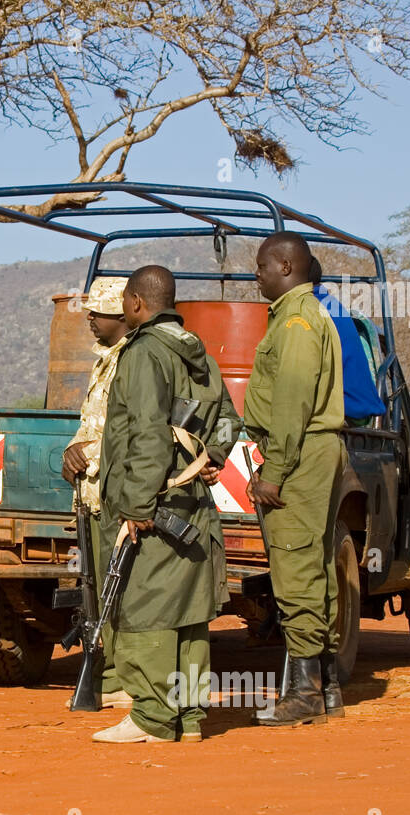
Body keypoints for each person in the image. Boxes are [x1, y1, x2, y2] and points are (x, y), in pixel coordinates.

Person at [93, 265, 240, 743]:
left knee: (147, 607)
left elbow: (147, 436)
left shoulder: (143, 354)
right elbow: (227, 421)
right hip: (192, 503)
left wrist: (135, 506)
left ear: (136, 303)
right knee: (189, 612)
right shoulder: (199, 353)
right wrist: (207, 459)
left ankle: (154, 718)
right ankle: (190, 719)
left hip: (153, 506)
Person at [245, 233, 347, 727]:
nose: (256, 273)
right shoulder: (302, 315)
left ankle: (304, 693)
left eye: (262, 265)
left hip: (300, 455)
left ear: (285, 266)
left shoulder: (297, 321)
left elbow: (292, 404)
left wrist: (274, 472)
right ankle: (327, 690)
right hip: (311, 452)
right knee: (317, 565)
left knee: (296, 568)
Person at [60, 277, 131, 709]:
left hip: (114, 491)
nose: (89, 318)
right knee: (97, 591)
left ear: (123, 315)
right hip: (91, 494)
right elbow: (93, 424)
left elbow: (133, 432)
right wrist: (74, 450)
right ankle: (108, 673)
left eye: (98, 311)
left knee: (117, 591)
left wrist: (91, 455)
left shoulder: (134, 359)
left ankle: (121, 679)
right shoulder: (104, 359)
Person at [309, 256, 385, 422]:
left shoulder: (311, 312)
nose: (258, 274)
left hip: (346, 410)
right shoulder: (328, 303)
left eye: (264, 267)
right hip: (354, 406)